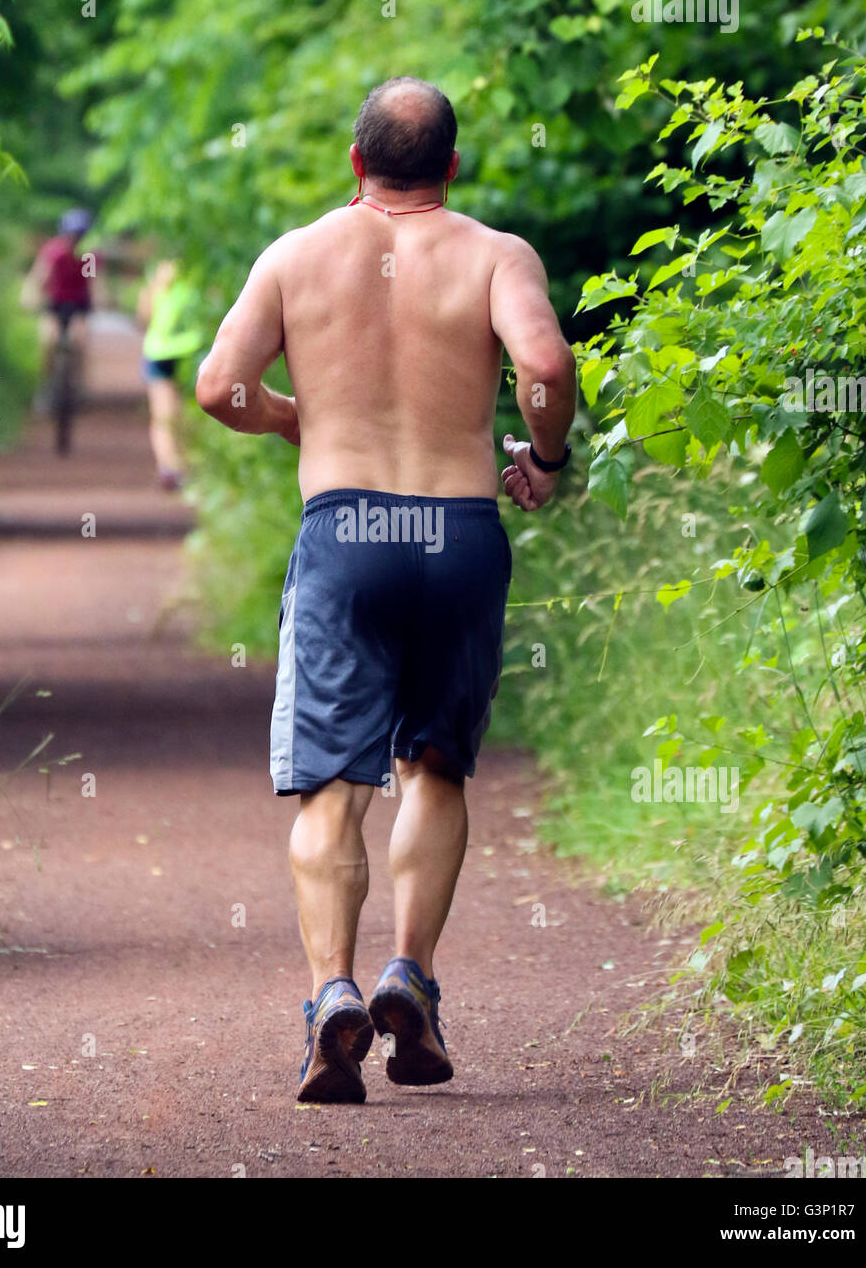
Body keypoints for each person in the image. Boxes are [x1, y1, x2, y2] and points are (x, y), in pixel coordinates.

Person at [195, 76, 576, 1104]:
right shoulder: (496, 255)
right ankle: (410, 971)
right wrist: (545, 455)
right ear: (451, 166)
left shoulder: (296, 255)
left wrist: (293, 422)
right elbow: (542, 361)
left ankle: (332, 994)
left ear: (354, 162)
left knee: (331, 786)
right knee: (434, 767)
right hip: (456, 531)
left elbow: (216, 385)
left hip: (347, 531)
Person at [136, 259, 201, 491]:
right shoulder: (195, 282)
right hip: (182, 353)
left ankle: (172, 467)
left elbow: (143, 318)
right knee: (174, 414)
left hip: (168, 353)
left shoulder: (159, 284)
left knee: (167, 415)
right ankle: (175, 467)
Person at [21, 208, 94, 402]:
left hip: (79, 303)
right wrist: (29, 297)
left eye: (80, 235)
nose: (76, 239)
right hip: (54, 303)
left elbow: (93, 283)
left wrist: (99, 302)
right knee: (48, 340)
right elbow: (38, 277)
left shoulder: (88, 255)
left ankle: (78, 385)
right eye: (73, 234)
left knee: (79, 339)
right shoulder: (54, 251)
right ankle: (47, 385)